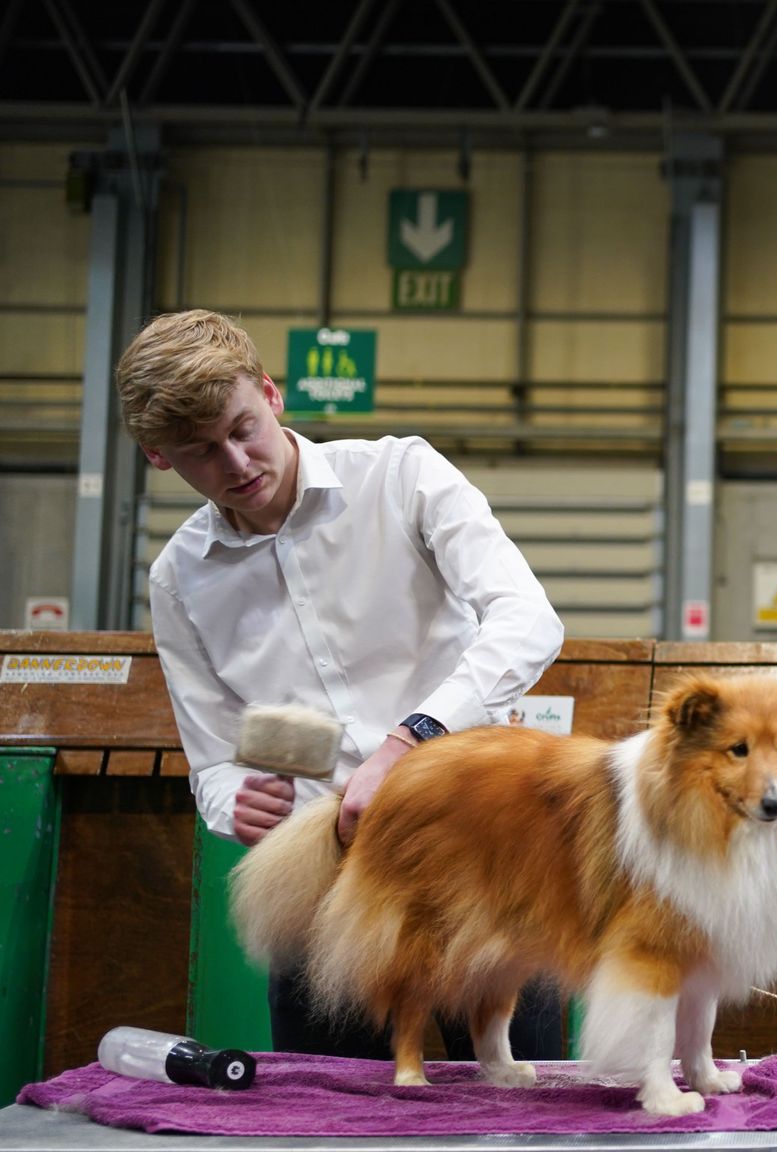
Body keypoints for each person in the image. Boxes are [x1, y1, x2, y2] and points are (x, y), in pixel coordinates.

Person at [120, 309, 568, 1062]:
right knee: (325, 1125)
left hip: (487, 864)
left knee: (522, 1120)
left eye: (243, 427)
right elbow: (211, 759)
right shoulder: (178, 580)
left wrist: (410, 739)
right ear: (158, 458)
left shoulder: (403, 475)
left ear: (271, 392)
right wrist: (231, 798)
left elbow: (528, 620)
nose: (235, 464)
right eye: (200, 452)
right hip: (320, 898)